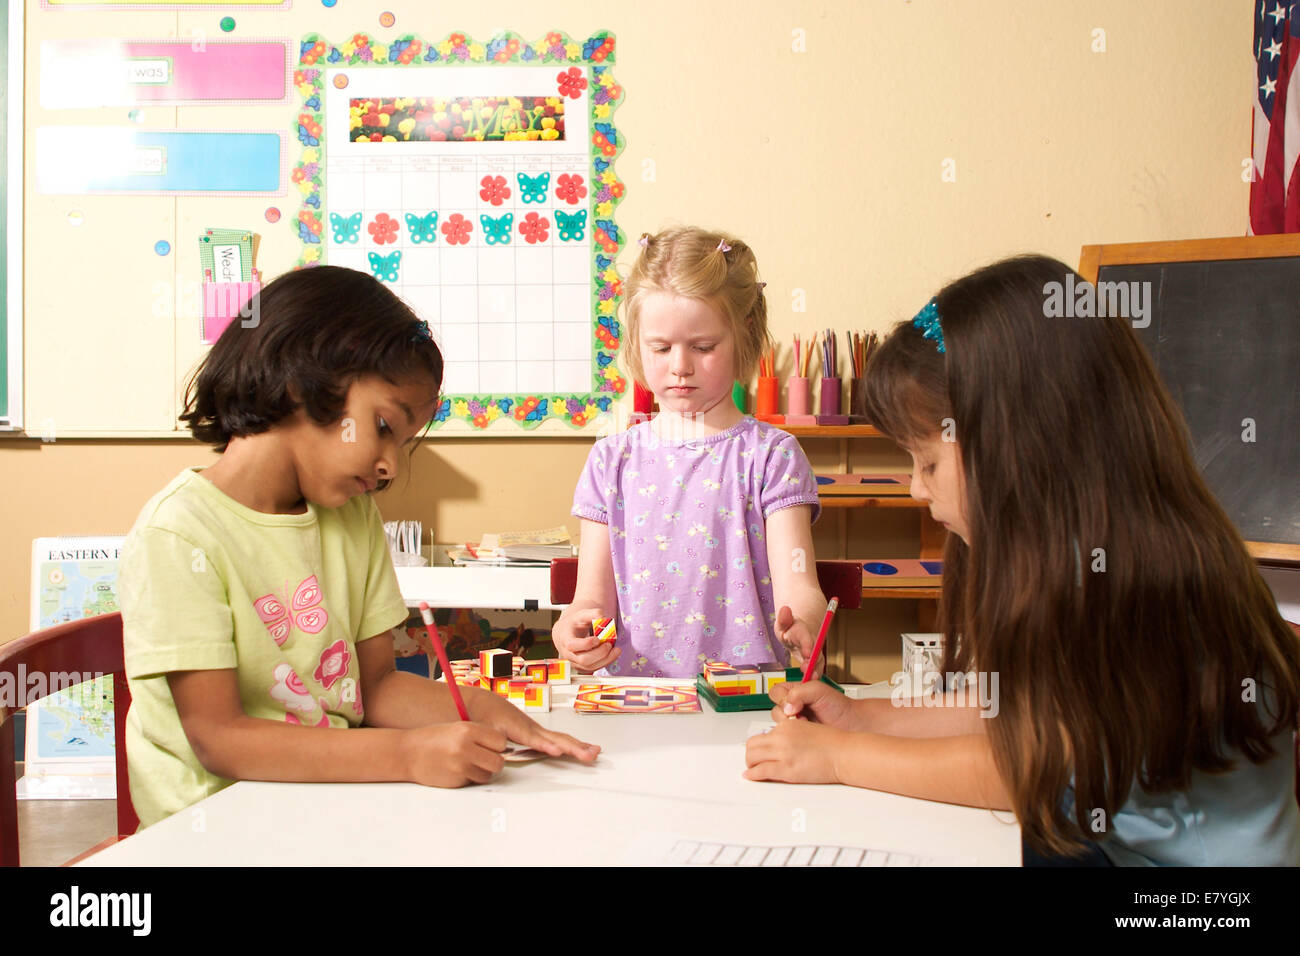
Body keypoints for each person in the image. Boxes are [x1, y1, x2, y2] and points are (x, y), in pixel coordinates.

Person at [744, 254, 1300, 866]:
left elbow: (1020, 767)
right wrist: (860, 715)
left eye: (927, 462)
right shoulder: (1103, 549)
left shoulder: (1123, 581)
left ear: (1017, 448)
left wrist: (840, 760)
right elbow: (1009, 710)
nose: (915, 489)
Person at [119, 265, 598, 828]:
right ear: (303, 380)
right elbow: (219, 739)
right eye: (384, 427)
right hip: (218, 833)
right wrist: (405, 755)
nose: (390, 465)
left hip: (326, 812)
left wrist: (487, 708)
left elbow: (377, 688)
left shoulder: (352, 519)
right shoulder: (179, 534)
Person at [553, 227, 827, 679]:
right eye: (660, 348)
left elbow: (798, 587)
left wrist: (805, 622)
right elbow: (592, 600)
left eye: (703, 347)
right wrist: (573, 625)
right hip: (633, 698)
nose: (680, 366)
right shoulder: (610, 461)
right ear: (636, 346)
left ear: (745, 337)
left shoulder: (772, 456)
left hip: (744, 697)